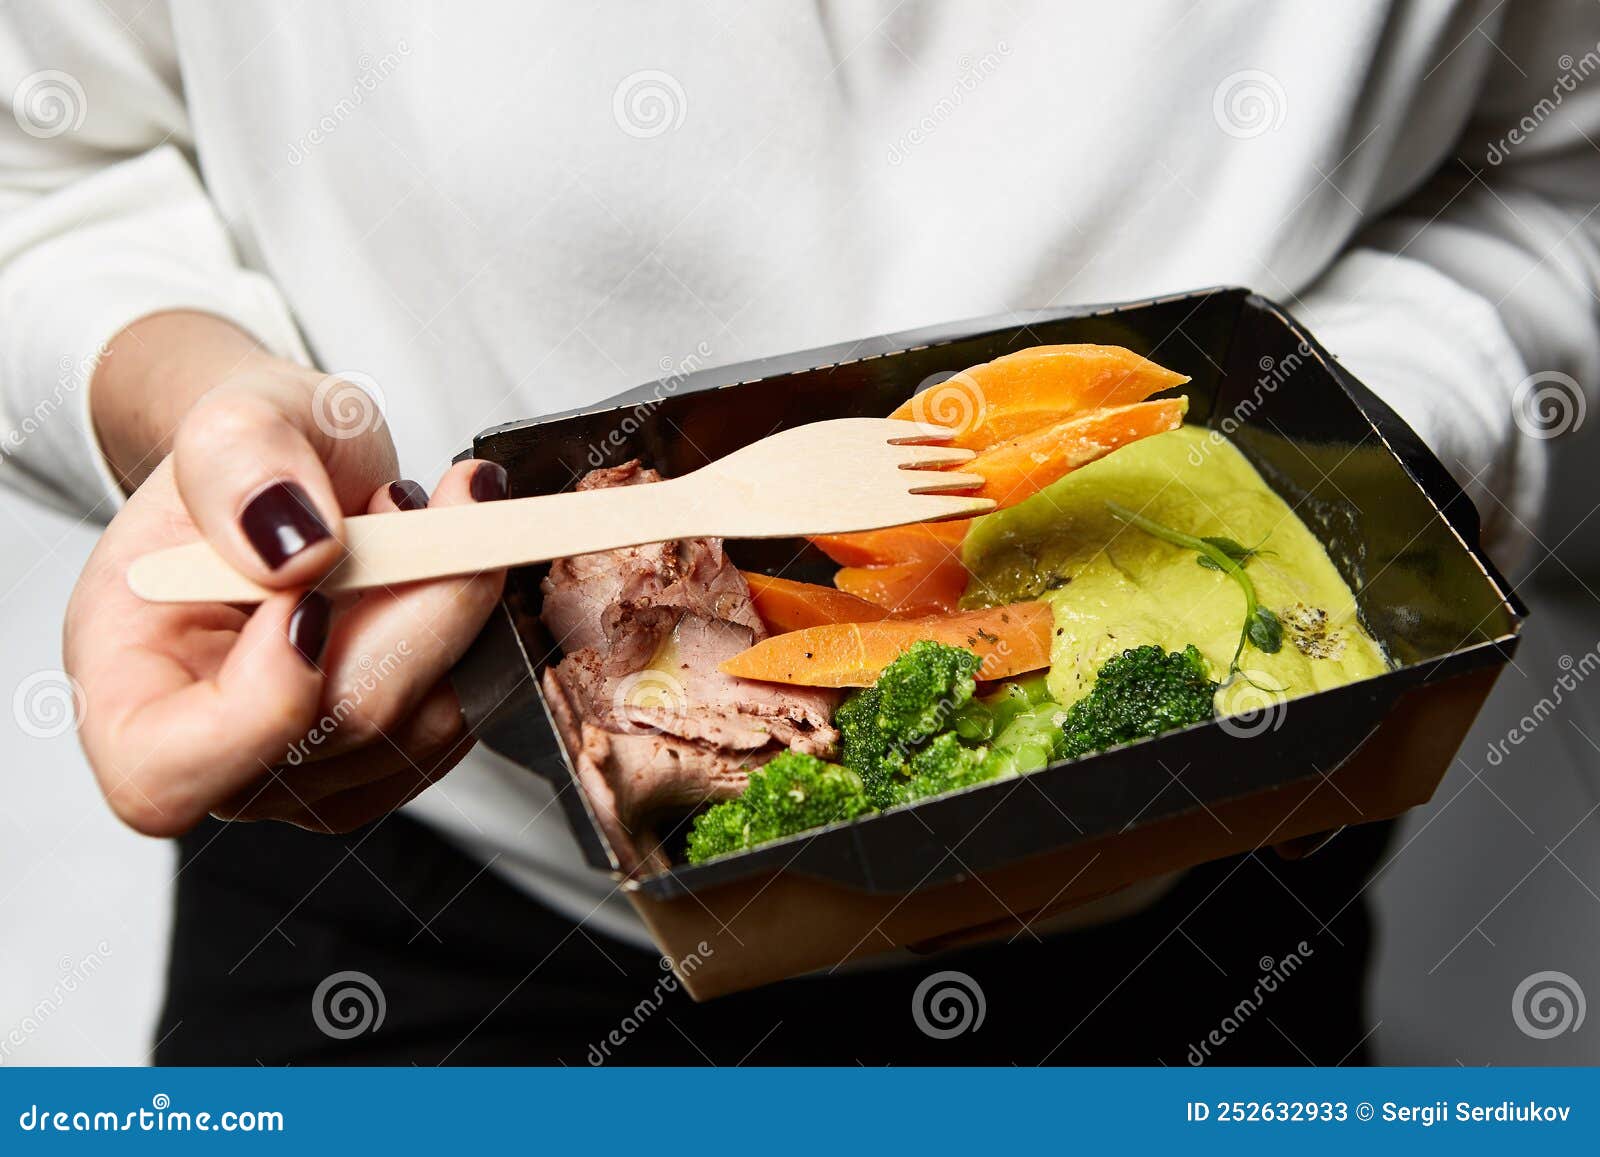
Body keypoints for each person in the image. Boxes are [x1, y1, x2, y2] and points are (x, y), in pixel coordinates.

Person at [2, 1, 1596, 1065]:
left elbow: (1562, 176)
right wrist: (193, 402)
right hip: (419, 921)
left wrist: (1388, 454)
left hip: (1208, 924)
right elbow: (47, 168)